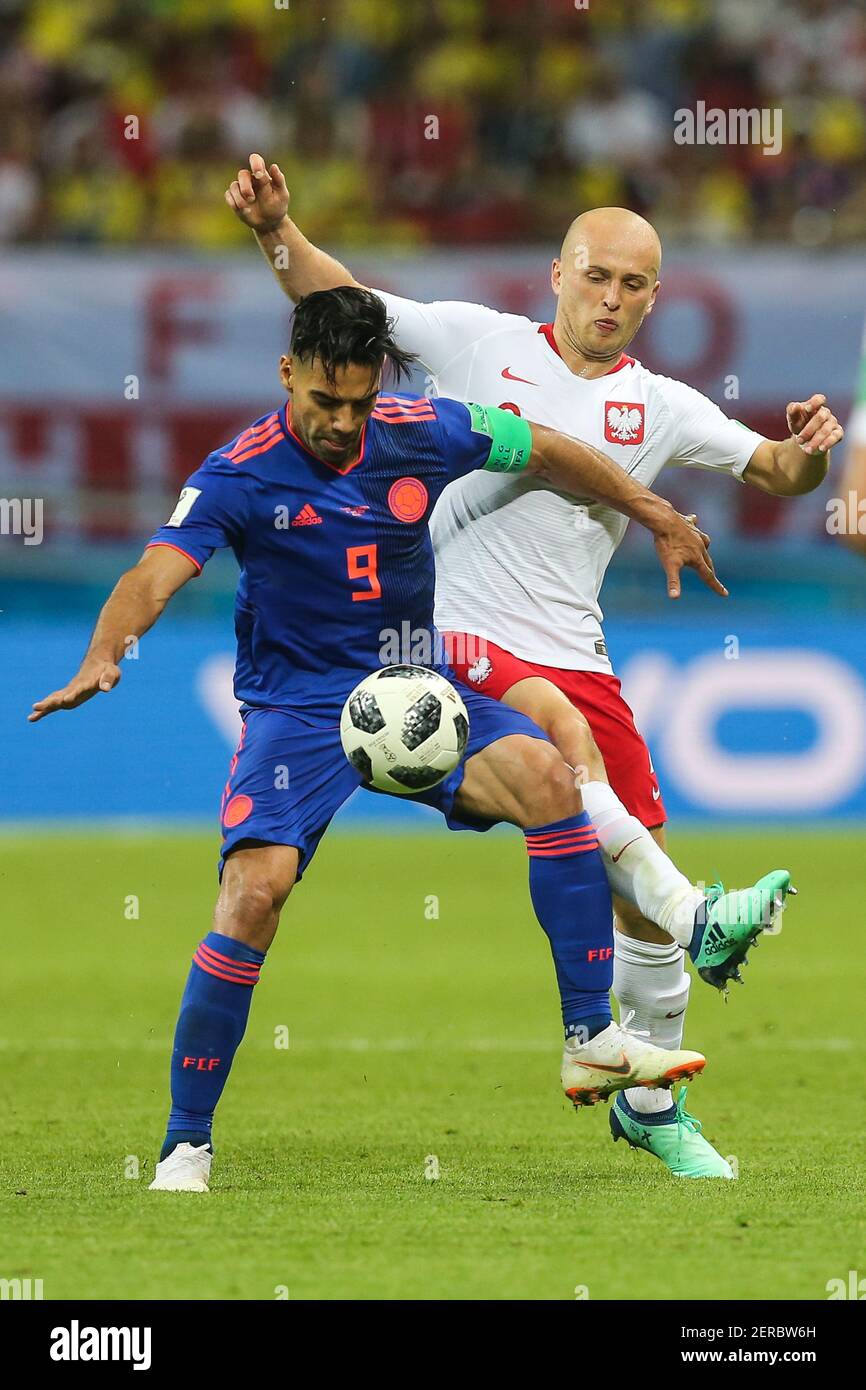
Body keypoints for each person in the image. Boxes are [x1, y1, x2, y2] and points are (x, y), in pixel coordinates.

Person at [29, 288, 790, 1193]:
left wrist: (653, 509)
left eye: (357, 403)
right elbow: (153, 572)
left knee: (551, 779)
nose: (342, 424)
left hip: (412, 685)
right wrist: (104, 653)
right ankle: (185, 1145)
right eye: (324, 402)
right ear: (287, 376)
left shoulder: (421, 429)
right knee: (253, 896)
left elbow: (543, 446)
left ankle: (590, 1039)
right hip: (298, 709)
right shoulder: (239, 473)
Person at [225, 154, 838, 1176]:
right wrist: (273, 231)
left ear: (652, 299)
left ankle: (646, 1101)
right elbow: (338, 298)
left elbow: (775, 469)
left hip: (573, 648)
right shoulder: (478, 342)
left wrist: (810, 447)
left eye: (631, 285)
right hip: (446, 634)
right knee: (561, 737)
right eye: (594, 275)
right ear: (558, 272)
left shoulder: (664, 407)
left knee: (629, 897)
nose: (608, 298)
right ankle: (703, 915)